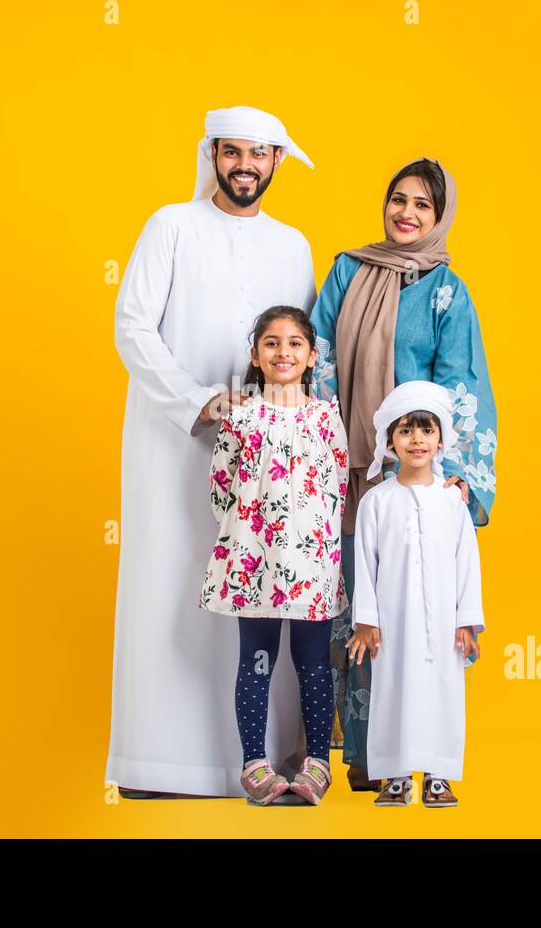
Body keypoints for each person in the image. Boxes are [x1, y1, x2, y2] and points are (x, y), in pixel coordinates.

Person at [107, 106, 317, 798]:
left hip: (270, 464)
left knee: (265, 592)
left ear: (277, 162)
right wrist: (196, 401)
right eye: (233, 152)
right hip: (174, 445)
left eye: (259, 154)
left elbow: (302, 349)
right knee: (168, 585)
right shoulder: (171, 225)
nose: (245, 166)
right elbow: (133, 326)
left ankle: (264, 765)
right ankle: (157, 766)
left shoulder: (294, 244)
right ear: (213, 154)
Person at [309, 157, 497, 791]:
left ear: (440, 216)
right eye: (398, 200)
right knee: (356, 611)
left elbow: (460, 386)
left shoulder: (448, 291)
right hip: (352, 473)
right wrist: (332, 449)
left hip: (414, 476)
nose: (406, 214)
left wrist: (449, 469)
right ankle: (368, 756)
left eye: (422, 204)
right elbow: (320, 361)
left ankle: (429, 757)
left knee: (421, 613)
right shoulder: (346, 270)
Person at [199, 305, 349, 805]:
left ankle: (318, 766)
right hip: (252, 562)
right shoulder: (240, 413)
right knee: (256, 661)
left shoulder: (327, 416)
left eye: (294, 343)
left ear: (310, 356)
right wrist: (247, 533)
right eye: (271, 343)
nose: (283, 351)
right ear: (256, 355)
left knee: (313, 664)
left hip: (312, 565)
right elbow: (220, 484)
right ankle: (254, 764)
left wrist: (315, 538)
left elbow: (339, 484)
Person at [345, 381, 484, 807]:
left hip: (444, 620)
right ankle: (396, 775)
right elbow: (364, 564)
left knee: (444, 688)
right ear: (389, 441)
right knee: (392, 690)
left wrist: (466, 619)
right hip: (393, 620)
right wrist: (366, 619)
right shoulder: (377, 502)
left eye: (426, 430)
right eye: (406, 430)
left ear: (441, 440)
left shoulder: (451, 503)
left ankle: (439, 775)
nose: (417, 439)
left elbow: (467, 563)